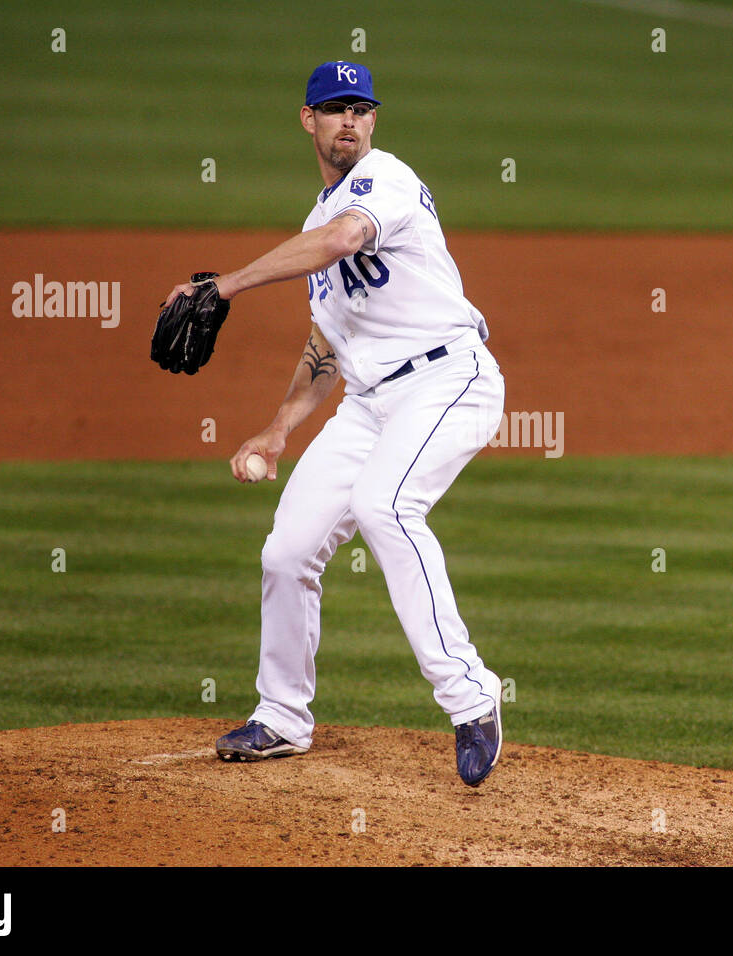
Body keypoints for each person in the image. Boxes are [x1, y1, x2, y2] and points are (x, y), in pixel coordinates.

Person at [161, 61, 505, 786]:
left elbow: (347, 240)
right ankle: (282, 718)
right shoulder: (315, 220)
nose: (349, 121)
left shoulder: (384, 180)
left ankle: (472, 697)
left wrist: (220, 285)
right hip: (370, 403)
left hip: (450, 378)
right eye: (334, 109)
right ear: (308, 121)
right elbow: (327, 343)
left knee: (386, 505)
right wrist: (279, 426)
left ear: (373, 121)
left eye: (360, 108)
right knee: (287, 550)